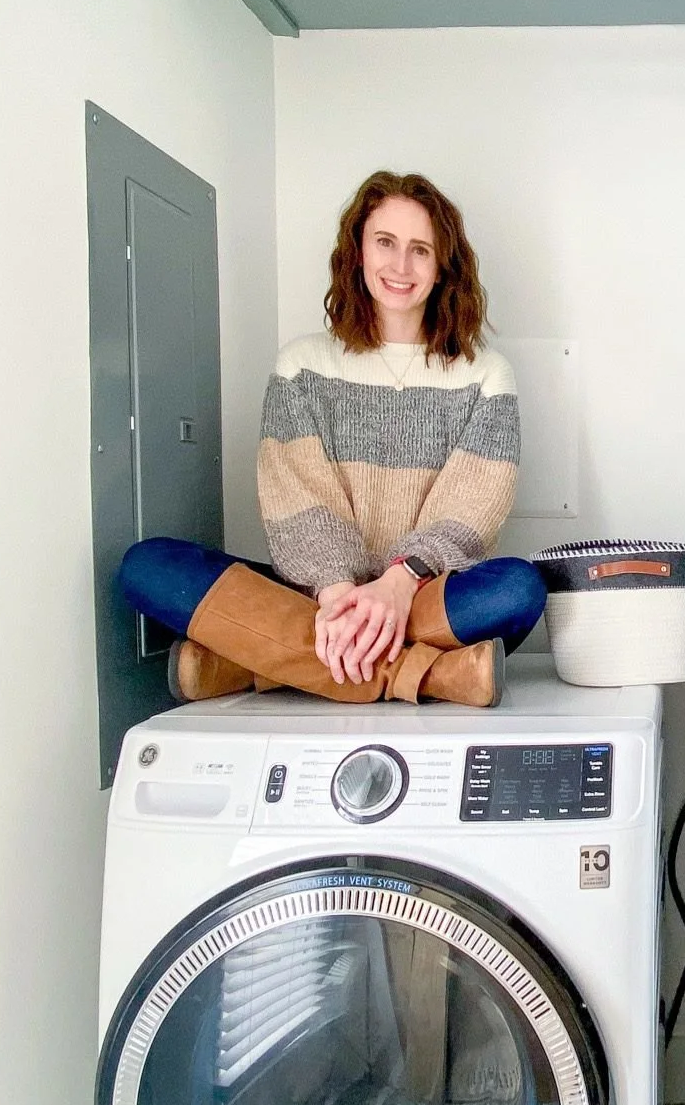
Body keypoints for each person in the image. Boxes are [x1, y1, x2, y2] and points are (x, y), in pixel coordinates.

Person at [117, 171, 545, 708]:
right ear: (357, 252)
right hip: (315, 594)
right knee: (147, 566)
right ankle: (429, 674)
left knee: (518, 590)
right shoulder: (302, 364)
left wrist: (397, 583)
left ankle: (253, 664)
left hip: (424, 592)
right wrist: (339, 593)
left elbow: (471, 508)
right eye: (385, 243)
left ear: (442, 269)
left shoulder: (484, 374)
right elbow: (296, 499)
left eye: (421, 250)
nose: (400, 266)